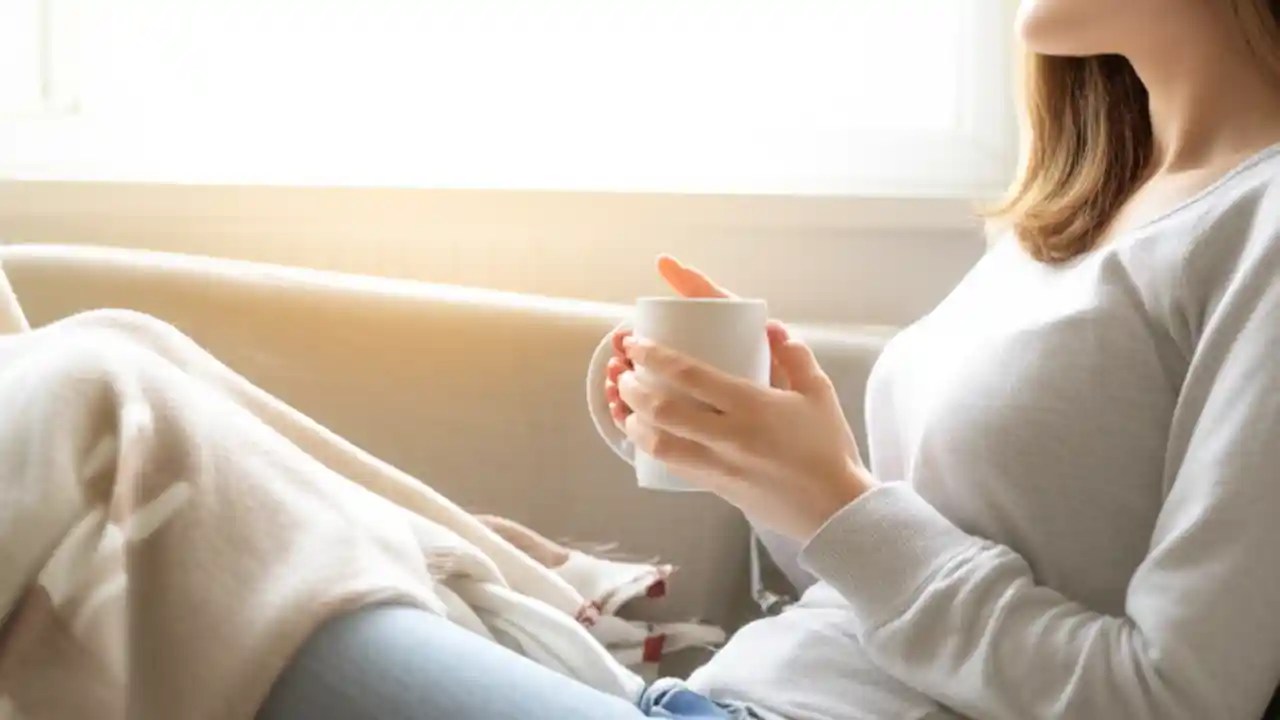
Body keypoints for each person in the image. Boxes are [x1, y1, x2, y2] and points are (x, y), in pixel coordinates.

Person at [258, 0, 1280, 718]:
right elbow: (888, 572)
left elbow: (1174, 701)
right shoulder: (1082, 208)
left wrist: (834, 501)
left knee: (131, 427)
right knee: (144, 406)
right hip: (713, 692)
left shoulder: (1259, 226)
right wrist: (760, 467)